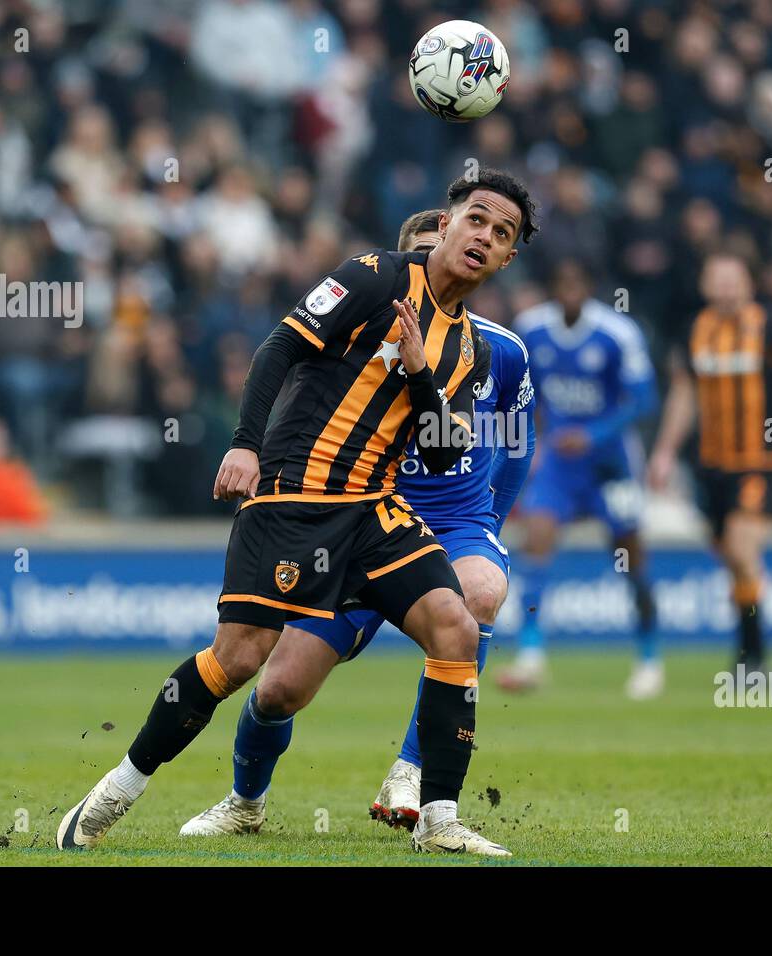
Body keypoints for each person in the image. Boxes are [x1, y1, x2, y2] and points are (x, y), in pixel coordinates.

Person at [56, 170, 537, 857]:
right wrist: (246, 447)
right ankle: (118, 789)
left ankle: (438, 819)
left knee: (457, 626)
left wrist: (419, 373)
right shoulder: (372, 276)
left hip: (375, 510)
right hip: (297, 497)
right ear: (450, 220)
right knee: (244, 663)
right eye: (477, 219)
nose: (484, 237)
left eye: (502, 233)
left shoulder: (471, 348)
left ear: (507, 257)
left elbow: (436, 455)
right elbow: (279, 346)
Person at [180, 207, 535, 837]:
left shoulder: (496, 351)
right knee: (279, 688)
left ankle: (413, 773)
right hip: (357, 516)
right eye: (426, 253)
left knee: (476, 593)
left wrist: (490, 524)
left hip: (454, 521)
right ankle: (244, 803)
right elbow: (291, 357)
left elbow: (517, 445)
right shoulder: (369, 323)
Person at [649, 253, 772, 679]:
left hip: (760, 461)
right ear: (705, 285)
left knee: (740, 547)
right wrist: (663, 451)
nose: (727, 287)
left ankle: (756, 658)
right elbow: (684, 397)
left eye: (735, 279)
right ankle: (747, 651)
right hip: (711, 466)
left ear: (749, 284)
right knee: (730, 557)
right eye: (719, 279)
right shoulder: (695, 330)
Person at [498, 257, 662, 699]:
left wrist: (592, 435)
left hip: (612, 463)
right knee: (537, 538)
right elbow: (515, 390)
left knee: (630, 557)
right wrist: (524, 441)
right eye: (562, 281)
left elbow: (644, 399)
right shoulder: (531, 328)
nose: (570, 289)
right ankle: (531, 655)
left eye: (578, 281)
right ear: (553, 287)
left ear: (589, 287)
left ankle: (649, 658)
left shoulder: (617, 333)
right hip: (559, 464)